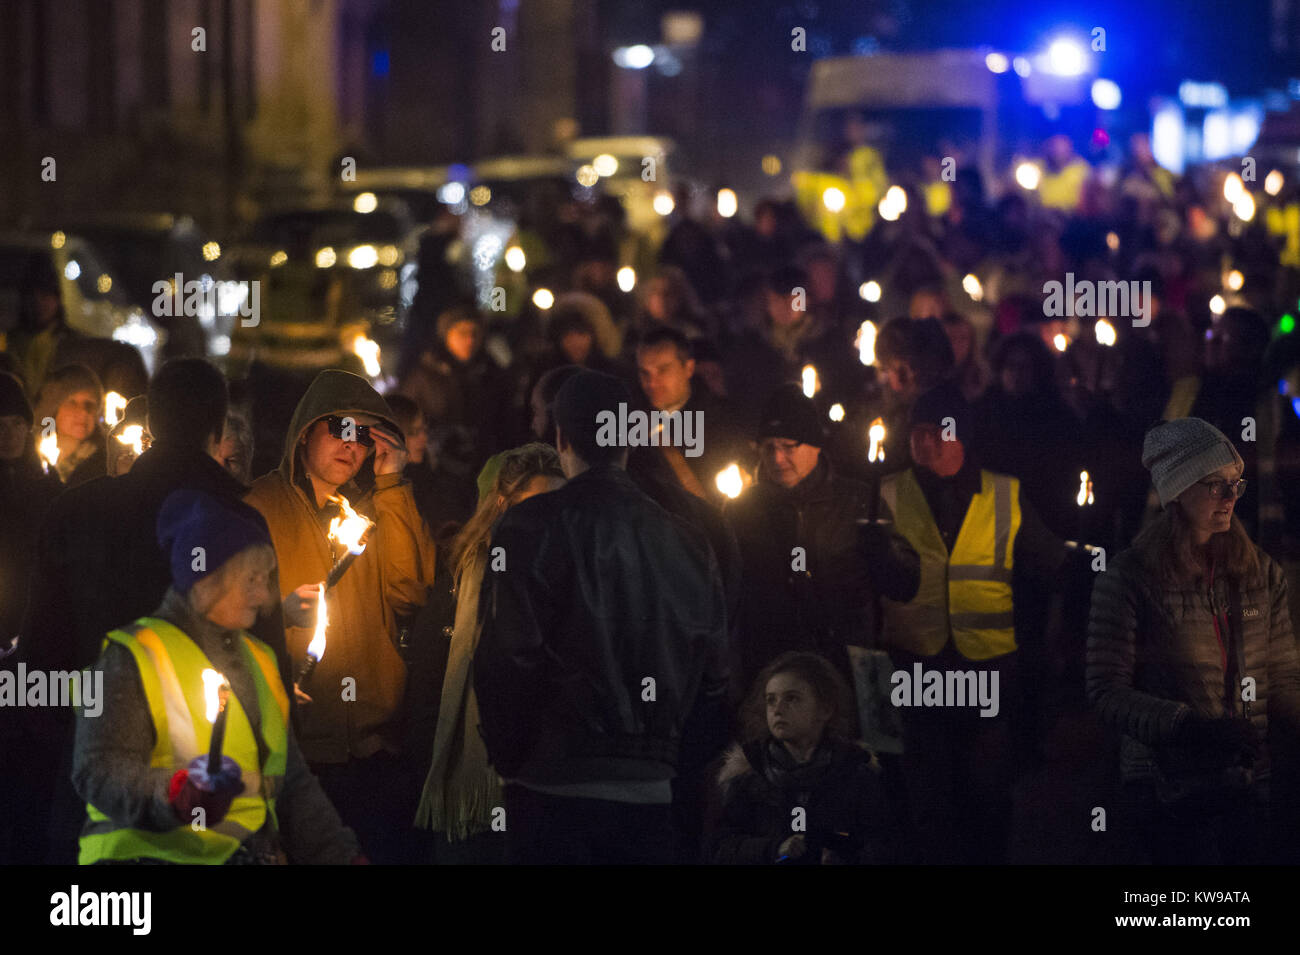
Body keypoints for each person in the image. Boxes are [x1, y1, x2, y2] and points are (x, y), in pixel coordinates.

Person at [18, 357, 288, 865]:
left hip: (95, 801)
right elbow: (266, 673)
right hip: (213, 811)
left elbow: (41, 665)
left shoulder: (75, 510)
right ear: (216, 427)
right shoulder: (237, 523)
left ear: (154, 424)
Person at [474, 370, 730, 864]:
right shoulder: (688, 540)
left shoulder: (529, 525)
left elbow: (507, 655)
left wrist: (512, 756)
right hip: (651, 791)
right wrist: (671, 758)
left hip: (552, 788)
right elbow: (714, 675)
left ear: (562, 438)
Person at [73, 489, 362, 864]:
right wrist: (176, 794)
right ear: (208, 577)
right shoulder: (129, 656)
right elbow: (98, 769)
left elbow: (292, 784)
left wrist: (340, 855)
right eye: (251, 579)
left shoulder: (260, 659)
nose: (263, 596)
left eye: (266, 578)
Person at [243, 369, 436, 864]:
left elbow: (411, 593)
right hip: (301, 749)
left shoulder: (371, 513)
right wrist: (279, 613)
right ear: (307, 430)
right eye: (340, 428)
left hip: (375, 747)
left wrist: (393, 480)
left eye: (365, 437)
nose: (352, 446)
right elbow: (225, 614)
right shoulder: (259, 507)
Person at [1087, 417, 1300, 864]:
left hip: (1244, 786)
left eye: (1235, 485)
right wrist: (1189, 728)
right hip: (1166, 788)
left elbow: (1282, 677)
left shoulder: (1259, 573)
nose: (1229, 498)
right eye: (1214, 485)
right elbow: (1106, 690)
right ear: (1177, 490)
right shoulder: (1131, 577)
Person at [877, 380, 1066, 864]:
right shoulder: (890, 493)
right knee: (928, 796)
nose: (922, 441)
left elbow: (1047, 564)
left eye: (933, 430)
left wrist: (1086, 566)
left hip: (986, 668)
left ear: (958, 433)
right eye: (915, 431)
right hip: (916, 665)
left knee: (985, 792)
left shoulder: (1005, 493)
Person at [415, 443, 566, 862]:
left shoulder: (571, 578)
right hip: (471, 787)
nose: (547, 518)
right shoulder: (464, 576)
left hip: (545, 781)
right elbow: (431, 676)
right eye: (534, 504)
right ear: (501, 506)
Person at [726, 383, 920, 694]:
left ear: (816, 445)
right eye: (768, 447)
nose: (777, 459)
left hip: (845, 669)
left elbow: (904, 585)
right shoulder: (742, 511)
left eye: (789, 446)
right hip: (770, 670)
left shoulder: (856, 501)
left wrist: (883, 555)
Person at [709, 652, 897, 864]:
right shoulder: (749, 775)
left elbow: (881, 843)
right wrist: (775, 849)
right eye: (771, 700)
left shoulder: (854, 772)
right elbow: (720, 848)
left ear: (825, 709)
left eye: (792, 698)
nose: (777, 709)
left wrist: (841, 853)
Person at [32, 363, 104, 485]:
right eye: (72, 402)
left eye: (90, 404)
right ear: (53, 408)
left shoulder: (103, 465)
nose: (83, 411)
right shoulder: (30, 456)